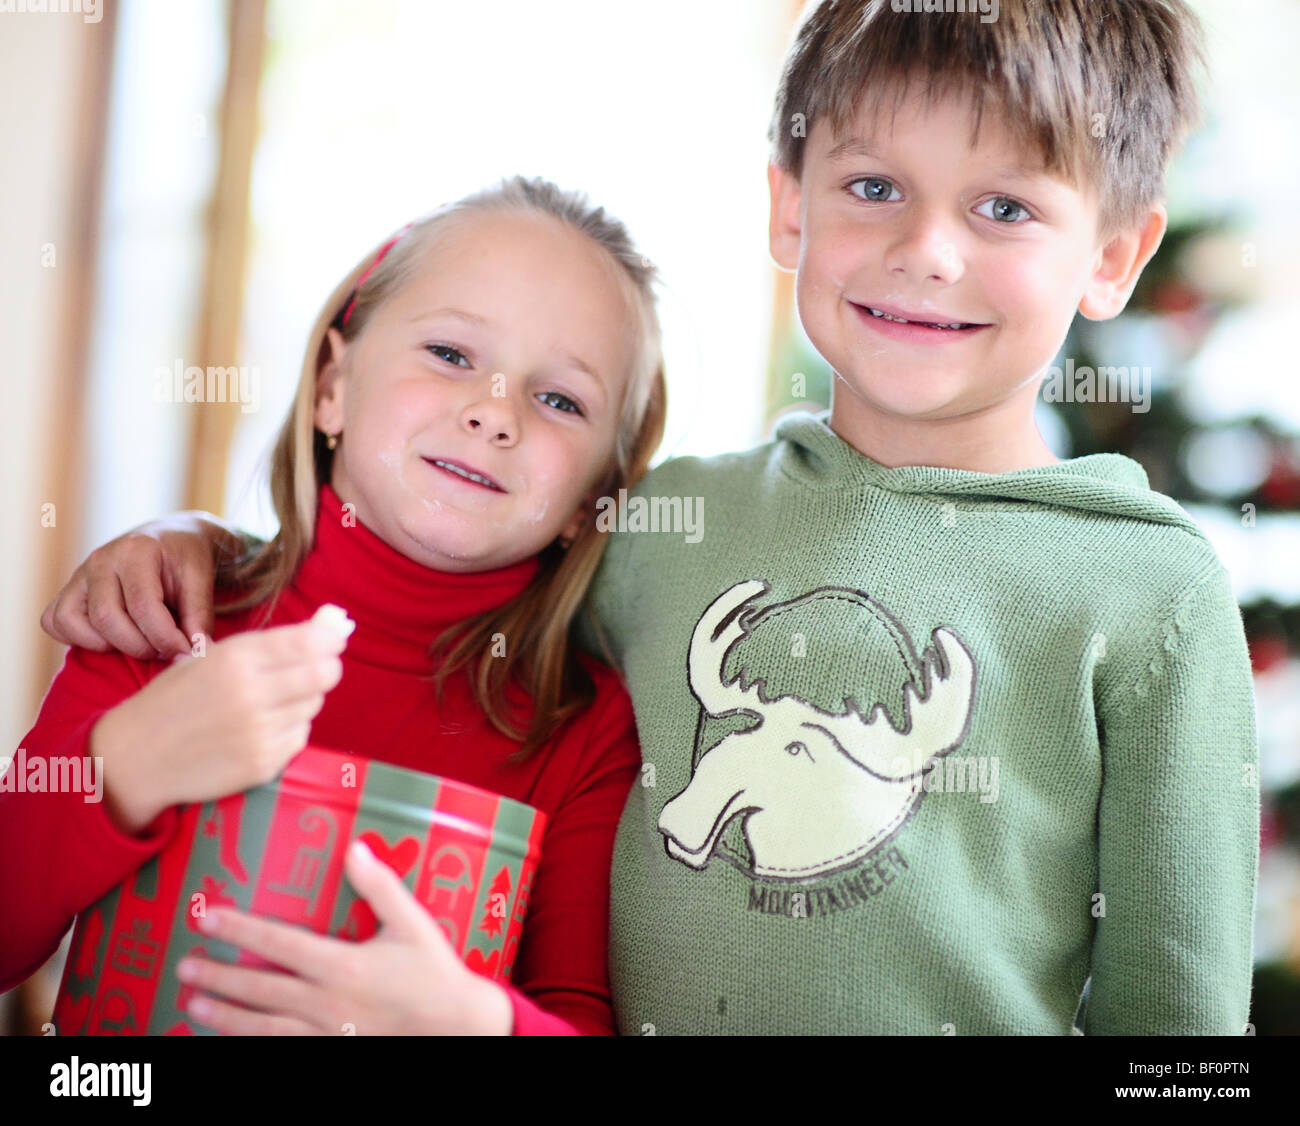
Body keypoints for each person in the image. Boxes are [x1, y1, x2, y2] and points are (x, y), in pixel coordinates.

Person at [40, 0, 1259, 1035]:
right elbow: (437, 560)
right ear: (789, 209)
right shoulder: (661, 520)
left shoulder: (1151, 593)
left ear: (1114, 254)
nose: (925, 249)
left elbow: (1181, 1036)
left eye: (1004, 209)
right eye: (873, 185)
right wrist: (195, 543)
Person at [5, 175, 667, 1036]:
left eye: (559, 400)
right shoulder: (166, 617)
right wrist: (129, 764)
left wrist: (470, 1023)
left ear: (593, 498)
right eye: (452, 355)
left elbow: (578, 1016)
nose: (493, 414)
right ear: (332, 386)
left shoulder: (583, 725)